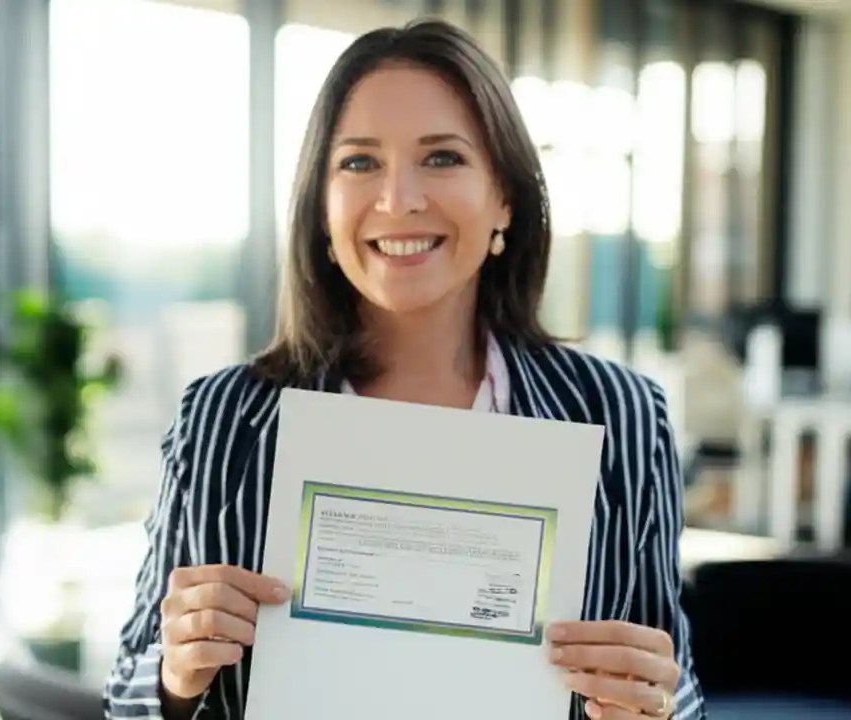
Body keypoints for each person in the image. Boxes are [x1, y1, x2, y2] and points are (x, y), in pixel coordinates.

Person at [105, 19, 704, 720]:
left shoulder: (621, 417)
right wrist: (176, 680)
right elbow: (126, 694)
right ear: (321, 210)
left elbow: (675, 681)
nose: (398, 200)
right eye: (359, 163)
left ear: (504, 197)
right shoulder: (222, 419)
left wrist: (654, 705)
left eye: (442, 158)